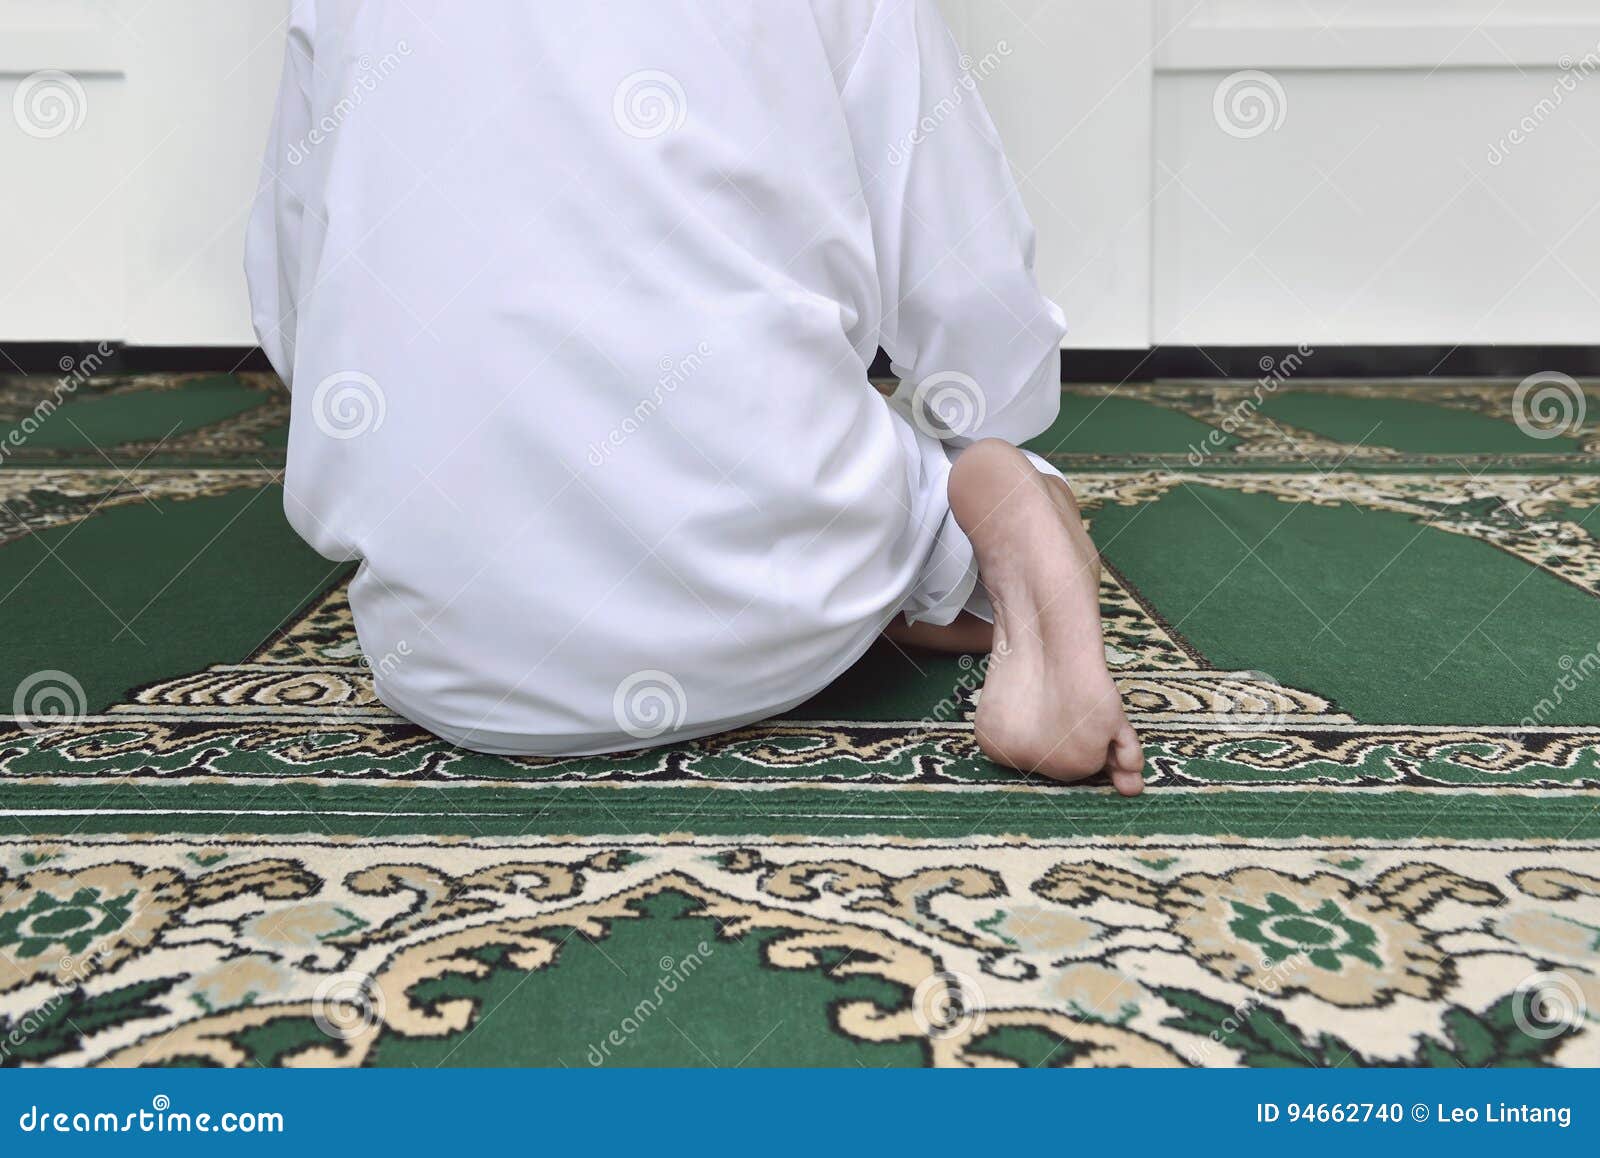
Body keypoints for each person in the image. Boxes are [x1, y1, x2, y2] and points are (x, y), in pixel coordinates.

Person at [246, 0, 1145, 796]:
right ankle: (960, 552)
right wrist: (991, 422)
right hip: (772, 610)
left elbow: (292, 291)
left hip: (441, 655)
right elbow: (972, 304)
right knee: (947, 477)